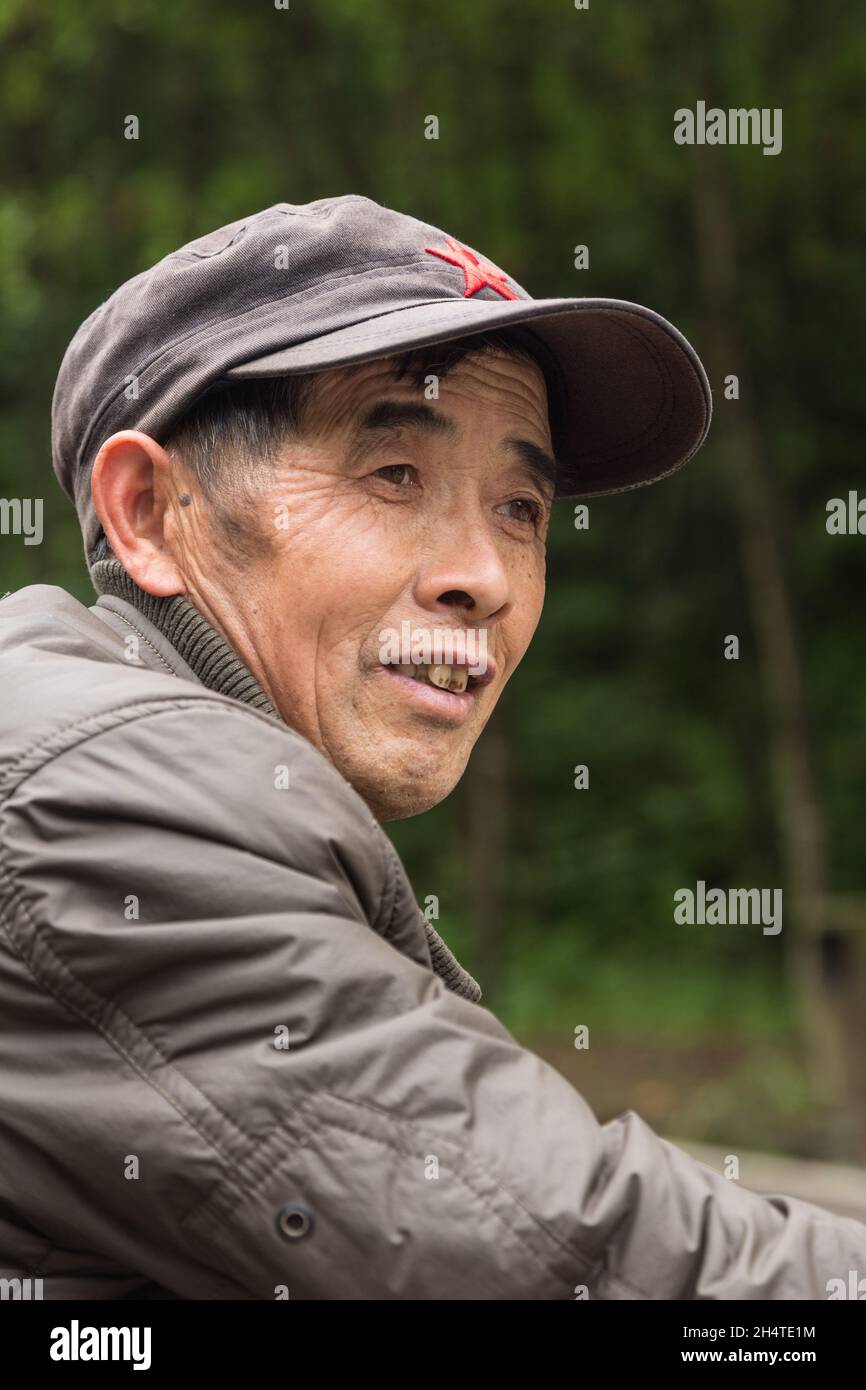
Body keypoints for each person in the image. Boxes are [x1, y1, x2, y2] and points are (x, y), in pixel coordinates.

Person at [0, 195, 862, 1299]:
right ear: (152, 512)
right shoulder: (95, 797)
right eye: (393, 475)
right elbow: (552, 1251)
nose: (486, 575)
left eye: (517, 508)